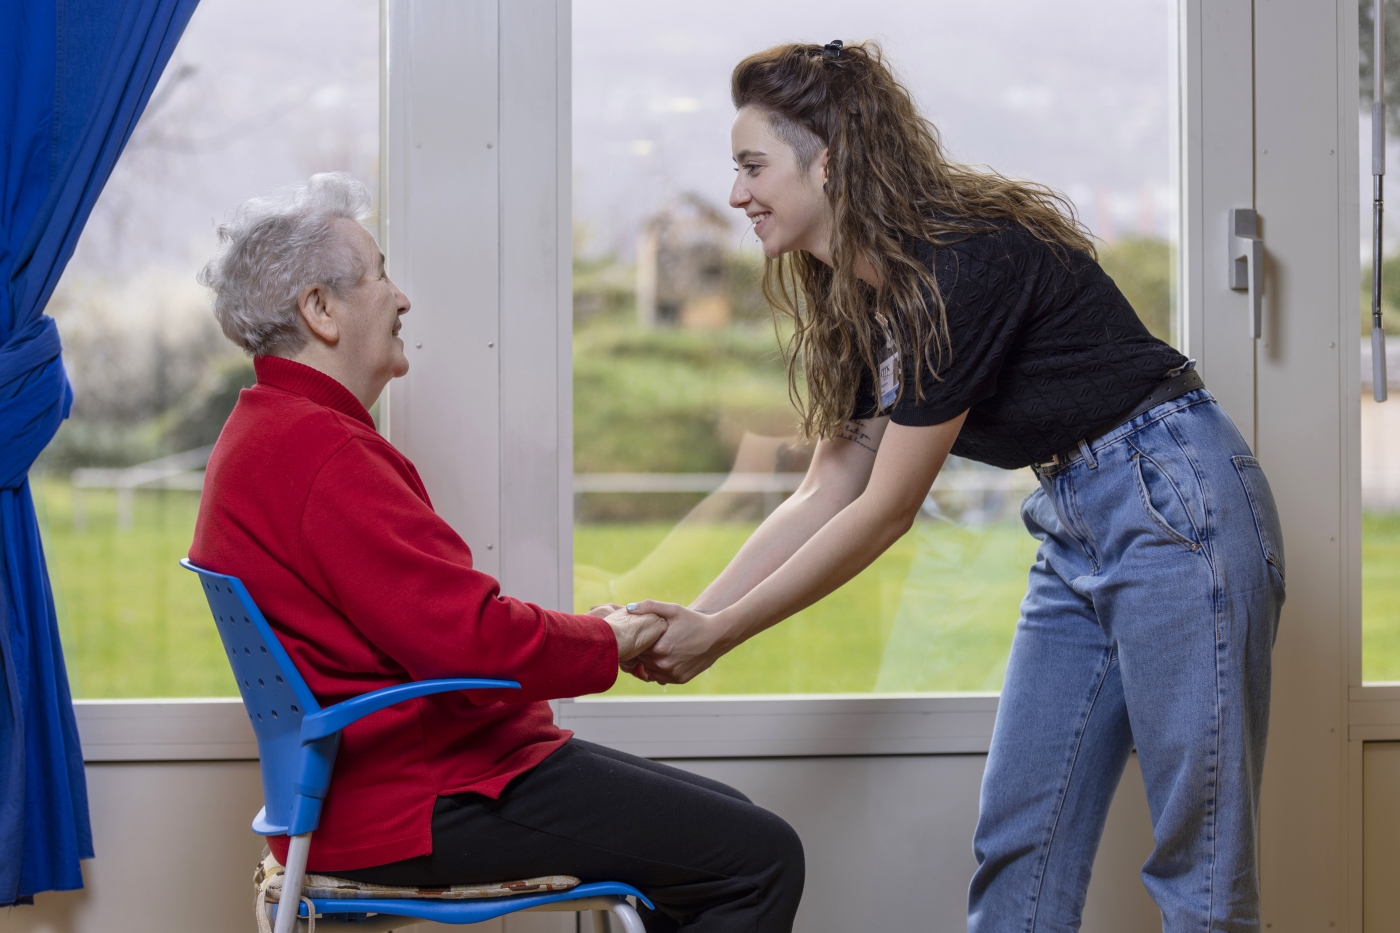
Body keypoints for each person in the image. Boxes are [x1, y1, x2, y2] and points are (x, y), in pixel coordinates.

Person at [624, 41, 1285, 932]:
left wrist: (723, 634)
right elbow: (832, 484)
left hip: (1172, 499)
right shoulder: (864, 293)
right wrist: (698, 617)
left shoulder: (961, 261)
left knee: (1198, 869)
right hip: (1076, 518)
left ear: (830, 159)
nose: (736, 193)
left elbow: (887, 508)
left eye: (752, 166)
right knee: (1022, 840)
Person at [188, 173, 804, 932]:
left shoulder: (265, 432)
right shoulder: (322, 452)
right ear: (320, 310)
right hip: (422, 795)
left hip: (376, 786)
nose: (402, 297)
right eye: (380, 274)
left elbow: (440, 629)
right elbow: (469, 641)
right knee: (761, 854)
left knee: (732, 830)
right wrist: (608, 639)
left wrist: (591, 636)